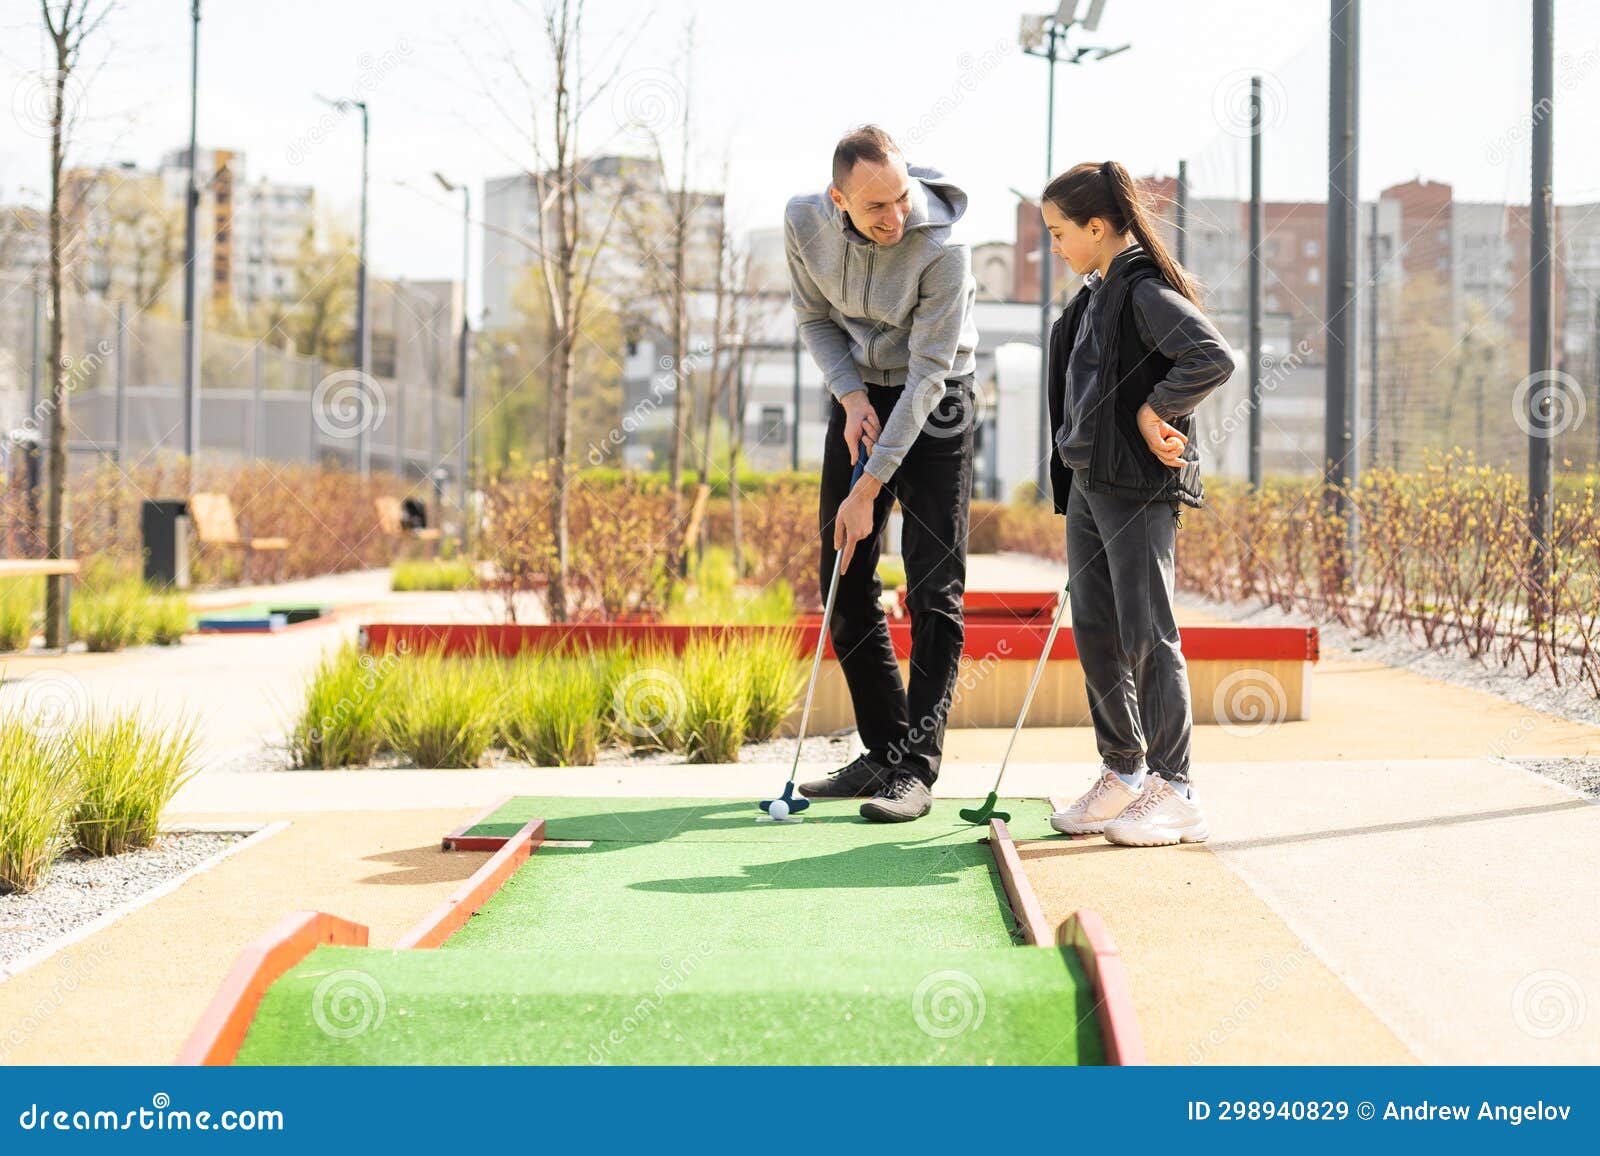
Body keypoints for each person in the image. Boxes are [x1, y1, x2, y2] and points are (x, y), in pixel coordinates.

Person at [782, 125, 979, 823]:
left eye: (901, 199)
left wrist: (870, 487)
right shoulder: (803, 222)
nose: (895, 217)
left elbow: (928, 376)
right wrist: (851, 396)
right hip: (862, 394)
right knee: (843, 574)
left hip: (938, 398)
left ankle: (917, 771)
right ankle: (884, 751)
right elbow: (813, 317)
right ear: (839, 200)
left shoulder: (944, 250)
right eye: (874, 209)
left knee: (933, 585)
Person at [1042, 160, 1236, 847]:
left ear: (1098, 228)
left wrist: (1159, 408)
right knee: (1096, 631)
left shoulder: (1141, 290)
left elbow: (1211, 356)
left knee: (1147, 633)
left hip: (1135, 488)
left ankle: (1175, 788)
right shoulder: (1094, 295)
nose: (1054, 246)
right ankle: (1123, 772)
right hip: (1091, 484)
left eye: (1060, 232)